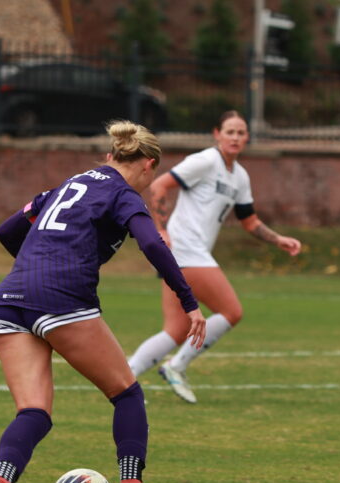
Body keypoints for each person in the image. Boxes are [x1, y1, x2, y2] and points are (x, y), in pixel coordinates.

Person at [0, 120, 206, 483]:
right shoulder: (123, 194)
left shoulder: (66, 186)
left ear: (110, 157)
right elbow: (155, 244)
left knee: (34, 411)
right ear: (149, 165)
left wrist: (37, 266)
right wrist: (189, 302)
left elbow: (7, 230)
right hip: (61, 298)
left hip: (10, 297)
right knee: (126, 392)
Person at [126, 110, 301, 404]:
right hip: (185, 249)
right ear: (217, 134)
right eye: (229, 131)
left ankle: (125, 381)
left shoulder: (240, 176)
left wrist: (278, 239)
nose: (235, 137)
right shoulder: (206, 160)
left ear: (247, 138)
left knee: (177, 330)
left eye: (240, 132)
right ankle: (176, 366)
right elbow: (159, 185)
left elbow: (249, 221)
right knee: (232, 311)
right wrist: (159, 229)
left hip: (190, 252)